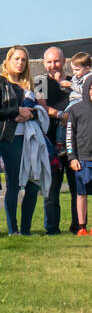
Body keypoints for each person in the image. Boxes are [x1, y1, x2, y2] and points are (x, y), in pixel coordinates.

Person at [0, 47, 49, 236]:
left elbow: (41, 109)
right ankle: (12, 229)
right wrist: (16, 112)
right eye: (16, 59)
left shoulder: (32, 85)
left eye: (23, 60)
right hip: (9, 138)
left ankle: (26, 229)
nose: (20, 63)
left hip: (30, 138)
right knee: (13, 182)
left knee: (33, 183)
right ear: (8, 61)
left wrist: (32, 114)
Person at [35, 47, 76, 235]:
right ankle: (52, 228)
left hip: (75, 142)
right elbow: (43, 108)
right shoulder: (40, 82)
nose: (53, 65)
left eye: (57, 61)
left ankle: (78, 226)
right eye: (49, 62)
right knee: (51, 190)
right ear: (44, 63)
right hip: (51, 143)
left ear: (64, 61)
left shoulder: (74, 82)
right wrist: (62, 115)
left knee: (77, 188)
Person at [64, 90, 92, 234]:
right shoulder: (76, 109)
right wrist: (72, 157)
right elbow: (69, 135)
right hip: (82, 159)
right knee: (81, 194)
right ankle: (82, 227)